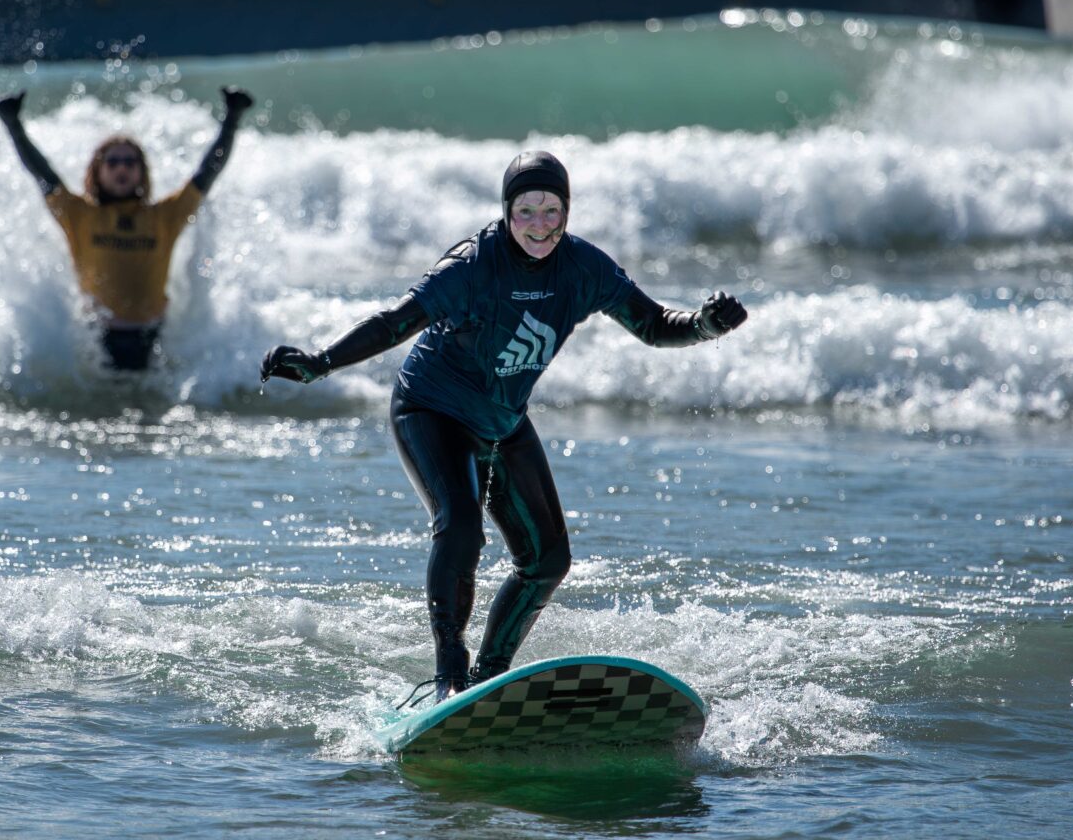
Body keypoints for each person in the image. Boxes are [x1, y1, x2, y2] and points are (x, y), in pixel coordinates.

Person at [260, 151, 748, 701]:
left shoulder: (584, 269)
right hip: (431, 409)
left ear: (566, 211)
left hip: (501, 420)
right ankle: (448, 675)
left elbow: (655, 325)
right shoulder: (472, 267)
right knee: (461, 526)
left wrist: (704, 326)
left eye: (551, 211)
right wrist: (322, 362)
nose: (539, 226)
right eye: (525, 212)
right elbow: (395, 322)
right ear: (506, 212)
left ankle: (487, 677)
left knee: (547, 560)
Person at [0, 86, 253, 370]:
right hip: (97, 340)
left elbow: (207, 173)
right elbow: (42, 173)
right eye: (113, 162)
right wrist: (12, 123)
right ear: (98, 170)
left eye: (130, 162)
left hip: (153, 340)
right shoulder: (78, 214)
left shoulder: (165, 215)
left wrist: (232, 118)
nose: (122, 169)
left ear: (141, 172)